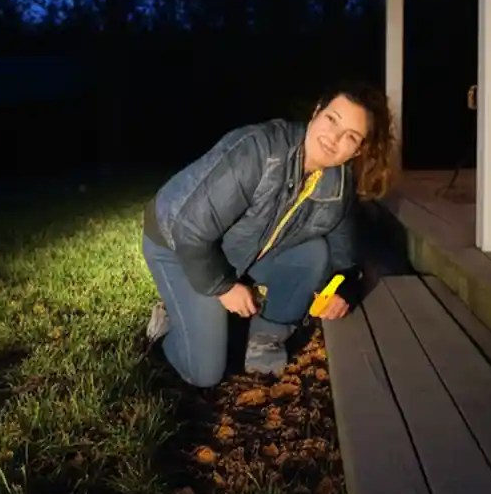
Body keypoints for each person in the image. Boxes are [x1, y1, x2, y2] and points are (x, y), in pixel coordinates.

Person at [140, 82, 396, 387]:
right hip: (176, 242)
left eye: (351, 136)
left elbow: (344, 263)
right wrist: (223, 287)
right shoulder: (259, 150)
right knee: (205, 373)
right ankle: (169, 325)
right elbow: (190, 230)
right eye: (332, 119)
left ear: (359, 149)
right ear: (316, 112)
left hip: (240, 249)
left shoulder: (339, 186)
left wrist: (345, 290)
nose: (334, 138)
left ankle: (267, 336)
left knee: (315, 253)